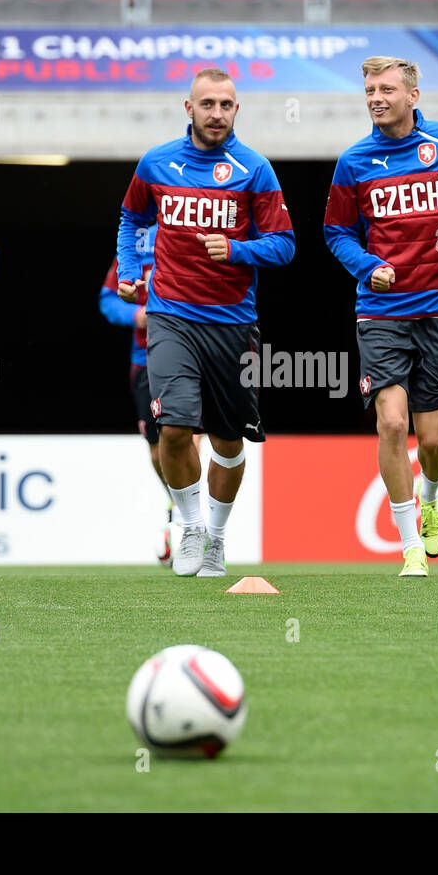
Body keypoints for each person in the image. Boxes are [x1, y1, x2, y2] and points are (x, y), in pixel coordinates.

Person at [324, 56, 438, 578]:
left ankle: (431, 497)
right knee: (391, 423)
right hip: (380, 310)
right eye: (369, 90)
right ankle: (408, 546)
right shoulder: (354, 162)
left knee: (430, 439)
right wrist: (366, 266)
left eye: (386, 89)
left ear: (413, 95)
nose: (376, 97)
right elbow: (336, 232)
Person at [116, 68, 295, 578]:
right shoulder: (157, 163)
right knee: (172, 430)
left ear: (237, 110)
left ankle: (216, 537)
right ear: (188, 107)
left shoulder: (254, 169)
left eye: (226, 104)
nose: (216, 113)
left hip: (233, 323)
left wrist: (237, 250)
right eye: (207, 104)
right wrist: (131, 271)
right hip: (170, 314)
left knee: (228, 442)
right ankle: (191, 526)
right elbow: (131, 219)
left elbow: (284, 245)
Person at [99, 224, 178, 564]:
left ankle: (186, 522)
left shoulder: (192, 227)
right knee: (158, 452)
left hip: (189, 352)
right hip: (144, 359)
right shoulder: (134, 240)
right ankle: (177, 502)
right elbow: (107, 299)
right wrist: (135, 314)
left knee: (185, 435)